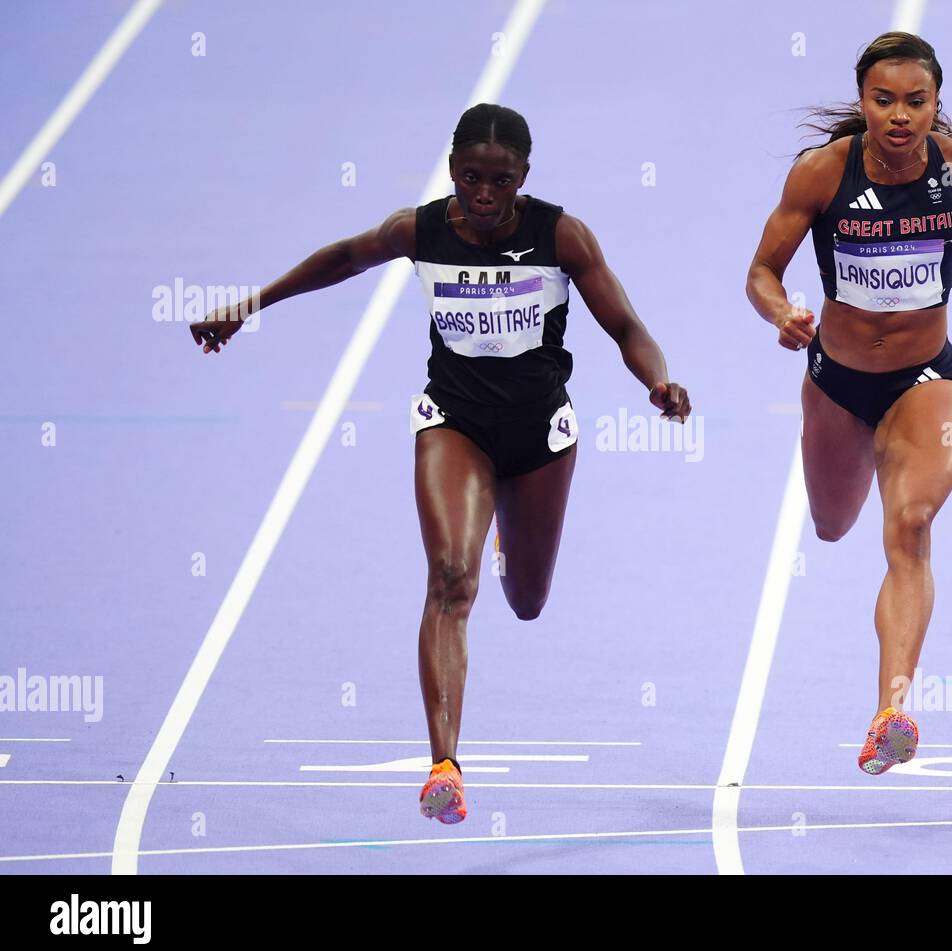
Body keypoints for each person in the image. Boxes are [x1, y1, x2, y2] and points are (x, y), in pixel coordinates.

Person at [191, 103, 691, 822]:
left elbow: (625, 325)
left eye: (501, 181)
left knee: (525, 601)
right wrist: (251, 304)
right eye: (469, 178)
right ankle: (445, 766)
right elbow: (341, 258)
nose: (483, 195)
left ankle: (499, 526)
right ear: (451, 168)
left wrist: (658, 381)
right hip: (453, 424)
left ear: (524, 177)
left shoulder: (561, 235)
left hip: (541, 437)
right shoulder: (418, 230)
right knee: (452, 581)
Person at [744, 32, 952, 775]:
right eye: (883, 100)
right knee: (829, 527)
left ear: (935, 104)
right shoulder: (823, 174)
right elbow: (761, 270)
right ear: (863, 103)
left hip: (927, 379)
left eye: (915, 102)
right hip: (836, 381)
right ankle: (888, 695)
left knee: (912, 525)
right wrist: (780, 313)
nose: (899, 116)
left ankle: (891, 708)